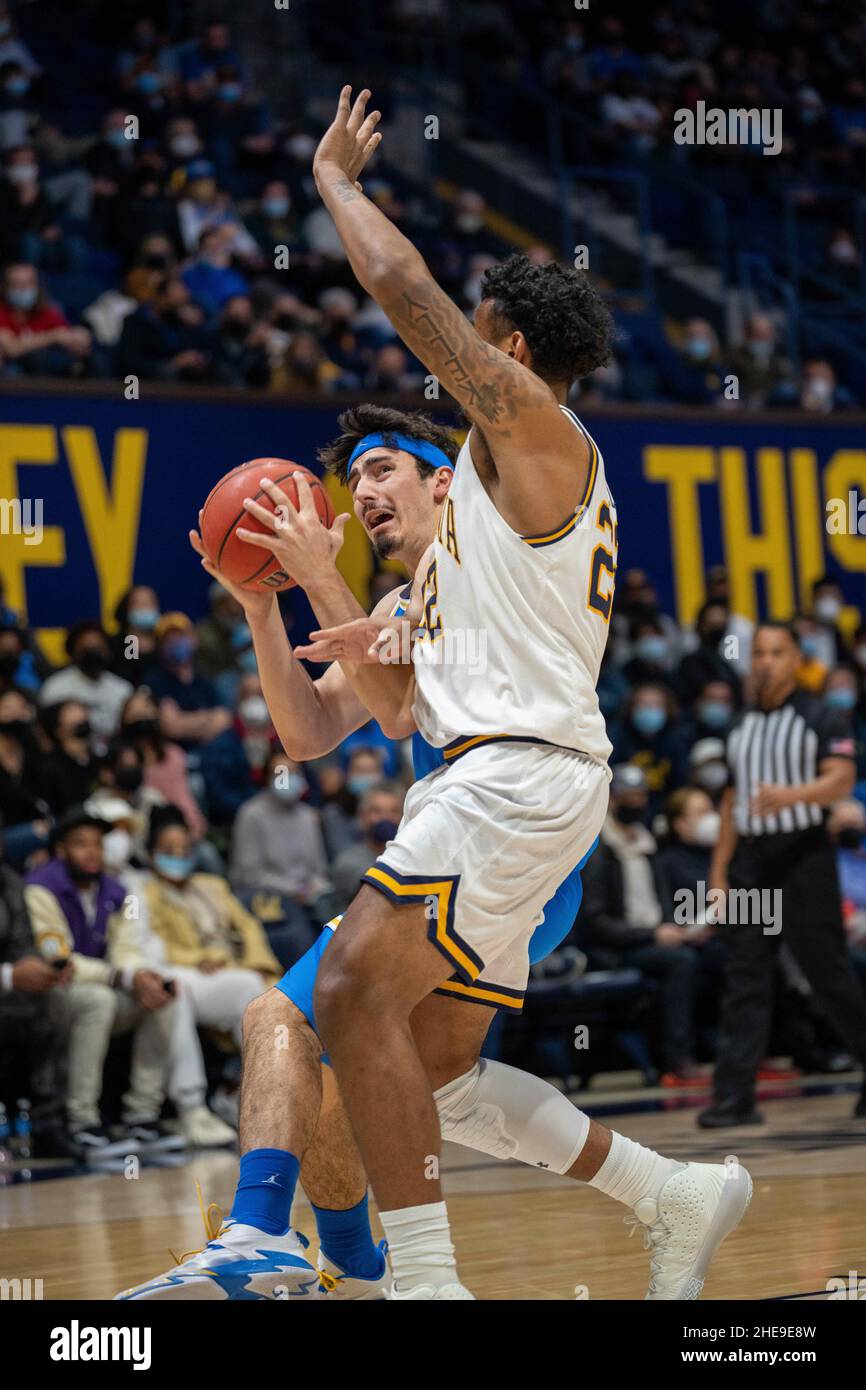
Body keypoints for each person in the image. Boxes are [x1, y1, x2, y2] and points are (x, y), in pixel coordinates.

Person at [116, 404, 590, 1300]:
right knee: (355, 1071)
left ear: (443, 482)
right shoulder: (401, 600)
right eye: (355, 480)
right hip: (492, 856)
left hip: (502, 843)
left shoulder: (480, 568)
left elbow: (401, 706)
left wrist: (320, 578)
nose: (362, 493)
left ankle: (260, 1233)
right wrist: (265, 606)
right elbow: (309, 730)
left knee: (276, 1017)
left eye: (383, 471)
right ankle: (359, 1266)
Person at [699, 622, 866, 1127]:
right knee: (746, 976)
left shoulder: (822, 716)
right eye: (760, 654)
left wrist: (789, 797)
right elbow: (731, 799)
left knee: (828, 973)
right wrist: (719, 871)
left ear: (796, 659)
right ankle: (735, 1096)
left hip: (803, 857)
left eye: (777, 653)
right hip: (752, 861)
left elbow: (843, 777)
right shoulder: (741, 723)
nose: (767, 662)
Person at [24, 808, 177, 1156]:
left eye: (97, 844)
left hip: (97, 988)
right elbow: (58, 958)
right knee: (99, 1000)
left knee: (161, 994)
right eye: (81, 844)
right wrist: (118, 975)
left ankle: (142, 1116)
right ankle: (83, 1121)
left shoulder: (119, 890)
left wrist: (141, 974)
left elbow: (127, 948)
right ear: (61, 850)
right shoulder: (40, 888)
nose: (92, 852)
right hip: (48, 993)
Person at [580, 765, 701, 1081]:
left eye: (640, 796)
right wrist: (652, 934)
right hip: (615, 947)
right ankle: (677, 1059)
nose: (635, 802)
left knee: (714, 953)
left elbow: (662, 905)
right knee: (680, 962)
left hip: (653, 938)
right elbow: (595, 922)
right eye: (627, 797)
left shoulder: (648, 846)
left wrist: (683, 928)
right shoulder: (598, 852)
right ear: (611, 801)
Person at [229, 747, 333, 937]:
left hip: (310, 898)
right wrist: (294, 891)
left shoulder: (308, 816)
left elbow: (319, 868)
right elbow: (249, 875)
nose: (287, 779)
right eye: (281, 773)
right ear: (268, 778)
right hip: (268, 898)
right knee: (300, 933)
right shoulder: (251, 815)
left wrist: (313, 888)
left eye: (293, 772)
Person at [39, 621, 133, 738]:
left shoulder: (123, 689)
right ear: (73, 652)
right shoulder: (55, 688)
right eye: (85, 649)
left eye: (98, 648)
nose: (93, 653)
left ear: (108, 651)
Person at [332, 781, 404, 908]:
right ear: (363, 816)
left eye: (394, 811)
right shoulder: (347, 862)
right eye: (377, 811)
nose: (386, 817)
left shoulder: (413, 860)